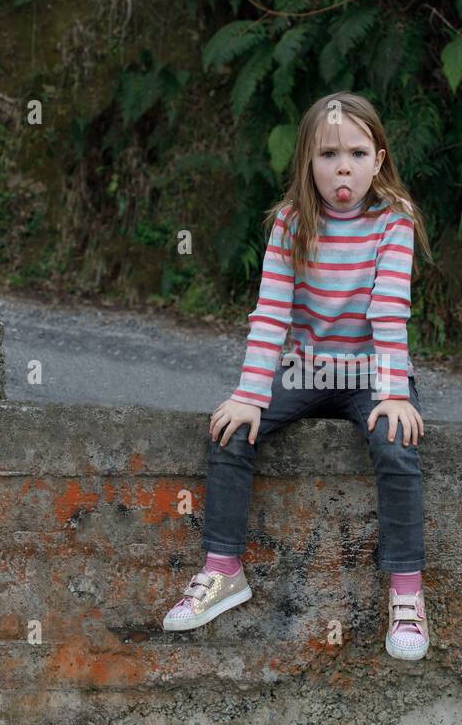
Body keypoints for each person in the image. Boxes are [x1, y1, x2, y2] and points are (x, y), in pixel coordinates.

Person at [162, 90, 434, 661]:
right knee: (231, 428)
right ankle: (223, 570)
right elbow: (270, 314)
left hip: (370, 372)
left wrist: (391, 393)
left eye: (358, 153)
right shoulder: (291, 222)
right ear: (307, 162)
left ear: (378, 160)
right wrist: (249, 394)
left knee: (395, 442)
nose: (343, 166)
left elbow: (388, 309)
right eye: (328, 154)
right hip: (308, 368)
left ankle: (406, 593)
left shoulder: (395, 221)